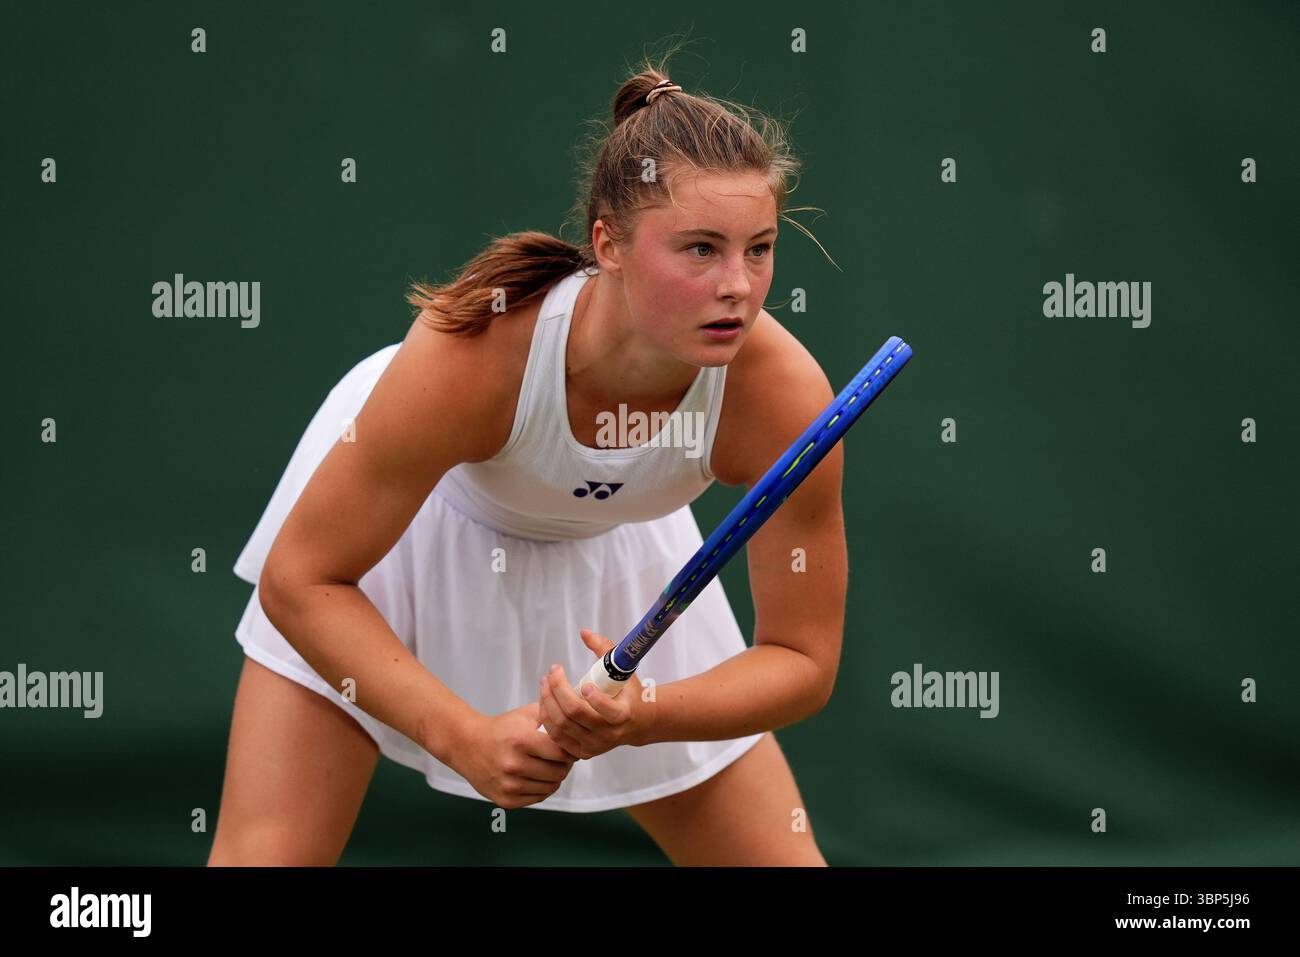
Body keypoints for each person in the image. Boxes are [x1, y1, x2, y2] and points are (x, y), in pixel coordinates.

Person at [208, 55, 847, 867]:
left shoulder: (787, 400)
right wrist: (464, 736)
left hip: (615, 547)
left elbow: (802, 662)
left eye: (760, 249)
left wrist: (646, 711)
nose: (739, 287)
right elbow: (301, 578)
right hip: (397, 543)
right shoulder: (468, 358)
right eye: (699, 249)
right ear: (607, 245)